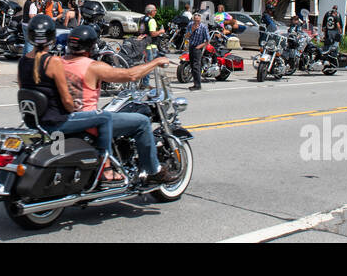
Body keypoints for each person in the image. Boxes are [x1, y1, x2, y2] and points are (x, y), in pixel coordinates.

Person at [61, 24, 171, 183]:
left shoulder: (59, 62)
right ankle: (153, 170)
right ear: (91, 46)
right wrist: (155, 62)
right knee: (142, 122)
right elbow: (131, 75)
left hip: (68, 120)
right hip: (89, 122)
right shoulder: (92, 67)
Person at [17, 15, 116, 186]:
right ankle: (105, 167)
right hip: (54, 122)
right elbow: (67, 100)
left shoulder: (22, 61)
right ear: (52, 37)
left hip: (33, 122)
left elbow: (23, 89)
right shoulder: (53, 61)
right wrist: (75, 108)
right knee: (105, 117)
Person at [186, 12, 210, 91]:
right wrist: (192, 30)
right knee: (192, 65)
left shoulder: (203, 27)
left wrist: (200, 46)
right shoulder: (190, 25)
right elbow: (186, 36)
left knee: (196, 66)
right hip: (191, 46)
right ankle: (195, 83)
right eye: (195, 20)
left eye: (198, 20)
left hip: (198, 47)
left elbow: (207, 40)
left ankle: (198, 85)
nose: (196, 22)